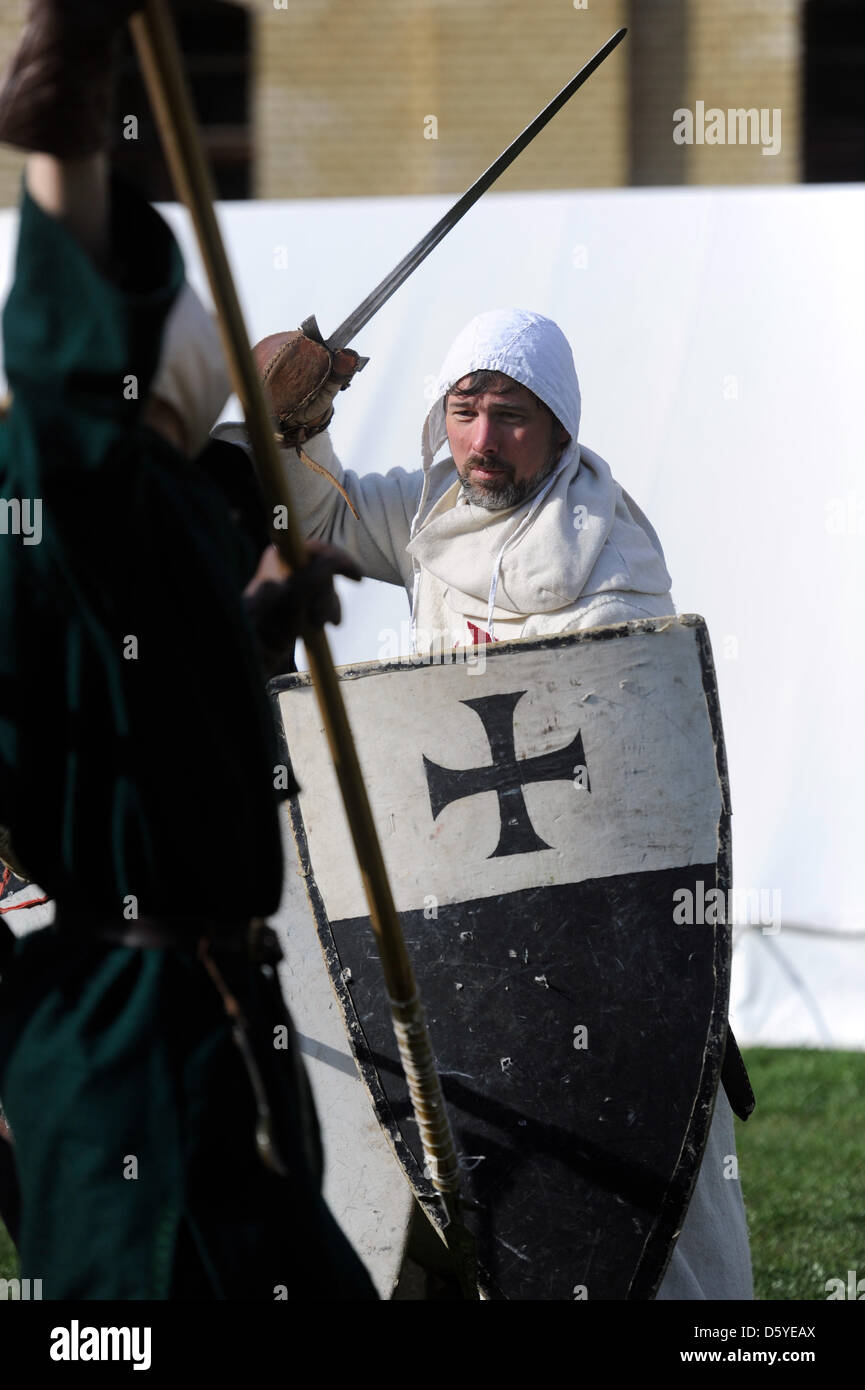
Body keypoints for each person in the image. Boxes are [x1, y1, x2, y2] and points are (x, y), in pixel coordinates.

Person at [222, 307, 755, 1300]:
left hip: (591, 939)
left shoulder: (611, 557)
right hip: (446, 919)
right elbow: (323, 516)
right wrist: (291, 426)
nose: (481, 437)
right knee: (452, 1184)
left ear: (557, 425)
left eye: (508, 413)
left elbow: (616, 756)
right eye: (464, 409)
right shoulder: (432, 512)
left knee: (644, 1207)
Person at [0, 0, 374, 1299]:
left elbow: (143, 695)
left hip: (201, 1023)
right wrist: (62, 149)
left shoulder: (151, 523)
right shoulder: (67, 499)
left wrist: (258, 623)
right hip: (132, 1050)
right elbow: (60, 385)